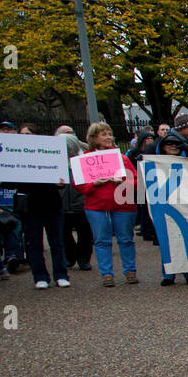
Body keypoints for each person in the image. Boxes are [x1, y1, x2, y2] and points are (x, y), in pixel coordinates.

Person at [75, 122, 138, 287]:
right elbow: (79, 185)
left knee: (126, 239)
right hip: (96, 205)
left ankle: (130, 271)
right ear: (94, 138)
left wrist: (123, 181)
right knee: (102, 240)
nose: (109, 137)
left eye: (110, 134)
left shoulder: (122, 159)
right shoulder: (85, 159)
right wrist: (94, 184)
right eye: (104, 134)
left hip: (122, 204)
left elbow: (136, 181)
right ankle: (107, 274)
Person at [12, 127, 70, 290]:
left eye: (28, 134)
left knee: (57, 241)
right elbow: (11, 182)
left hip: (51, 202)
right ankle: (40, 276)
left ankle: (61, 274)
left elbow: (61, 176)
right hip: (30, 205)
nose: (24, 137)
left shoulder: (46, 152)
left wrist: (60, 181)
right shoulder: (17, 156)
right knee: (34, 243)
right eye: (22, 134)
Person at [153, 132, 188, 285]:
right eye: (169, 144)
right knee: (168, 239)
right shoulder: (157, 162)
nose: (173, 147)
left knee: (187, 237)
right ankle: (168, 274)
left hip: (185, 203)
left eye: (176, 144)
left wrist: (187, 148)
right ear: (163, 147)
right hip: (165, 204)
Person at [55, 128, 93, 271]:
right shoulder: (54, 161)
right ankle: (69, 257)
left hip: (81, 202)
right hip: (62, 202)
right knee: (64, 233)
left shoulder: (84, 158)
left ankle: (84, 259)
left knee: (84, 233)